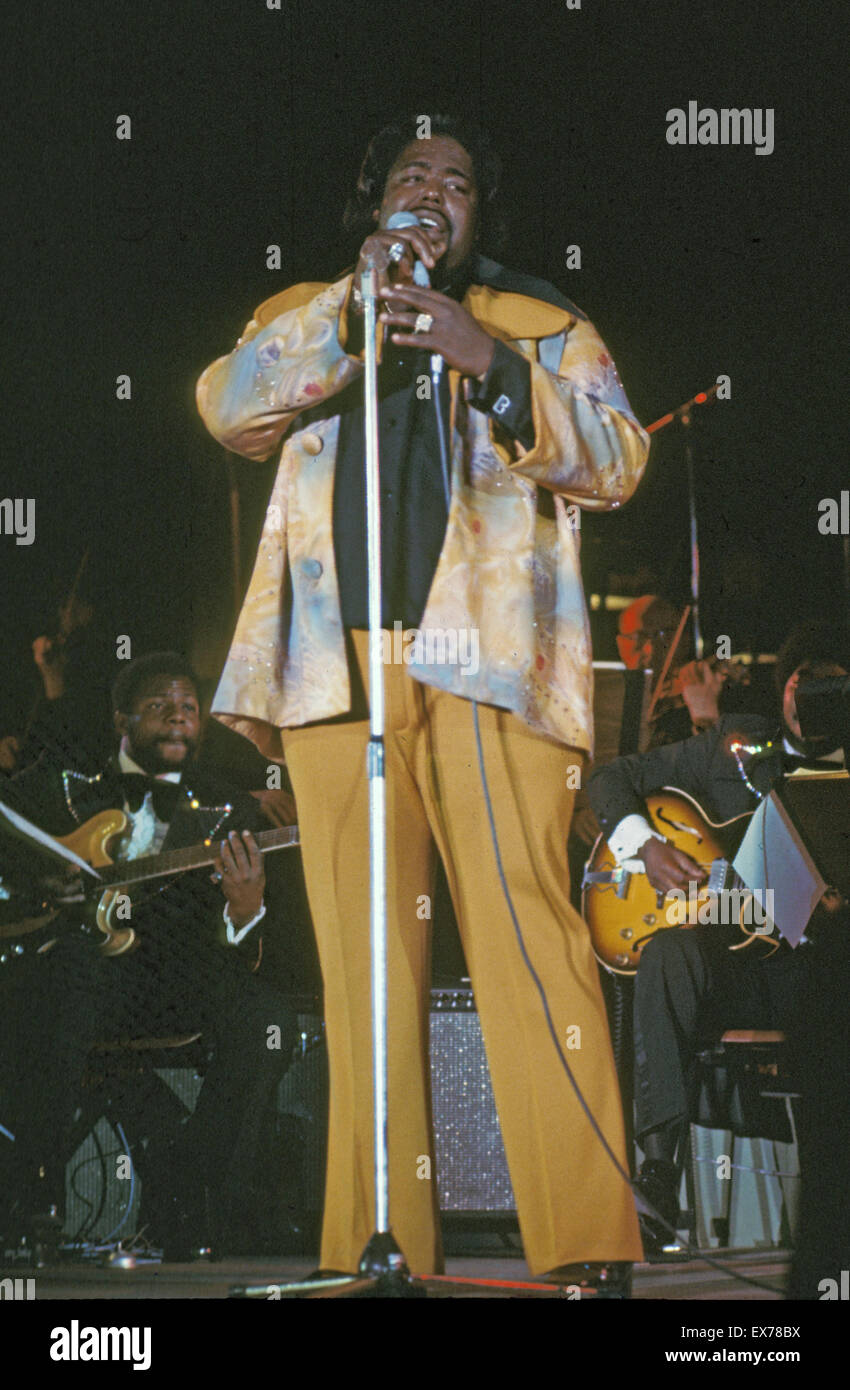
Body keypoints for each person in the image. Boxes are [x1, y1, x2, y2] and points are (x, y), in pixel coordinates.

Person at [197, 113, 649, 1286]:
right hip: (335, 672)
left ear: (477, 218)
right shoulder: (304, 314)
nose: (432, 192)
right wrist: (359, 315)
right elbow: (227, 409)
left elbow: (619, 459)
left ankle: (586, 1245)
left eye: (455, 183)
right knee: (362, 969)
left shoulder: (539, 322)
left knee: (529, 941)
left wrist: (482, 357)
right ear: (375, 201)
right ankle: (372, 1244)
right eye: (411, 175)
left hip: (483, 659)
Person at [0, 651, 296, 1258]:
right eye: (159, 707)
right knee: (63, 975)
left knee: (267, 1020)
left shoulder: (229, 814)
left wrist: (244, 911)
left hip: (174, 983)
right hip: (78, 978)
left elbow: (230, 948)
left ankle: (188, 1191)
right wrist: (40, 883)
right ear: (121, 721)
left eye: (188, 708)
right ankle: (31, 1198)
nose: (178, 719)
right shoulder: (62, 789)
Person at [586, 621, 849, 1257]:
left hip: (824, 977)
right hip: (742, 971)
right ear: (784, 688)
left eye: (829, 688)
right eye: (800, 683)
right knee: (670, 953)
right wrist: (643, 846)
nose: (806, 700)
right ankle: (657, 1176)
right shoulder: (733, 746)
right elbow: (609, 780)